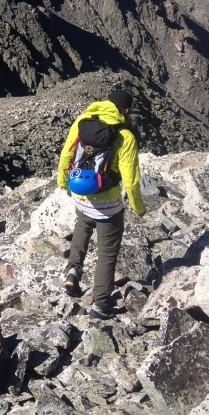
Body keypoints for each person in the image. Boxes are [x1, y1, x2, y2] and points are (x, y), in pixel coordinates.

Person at [56, 88, 146, 320]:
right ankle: (101, 303)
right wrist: (138, 208)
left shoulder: (82, 121)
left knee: (83, 225)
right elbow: (131, 180)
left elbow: (67, 155)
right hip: (108, 203)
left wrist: (62, 182)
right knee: (107, 252)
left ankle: (73, 272)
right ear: (125, 111)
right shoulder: (125, 136)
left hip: (80, 193)